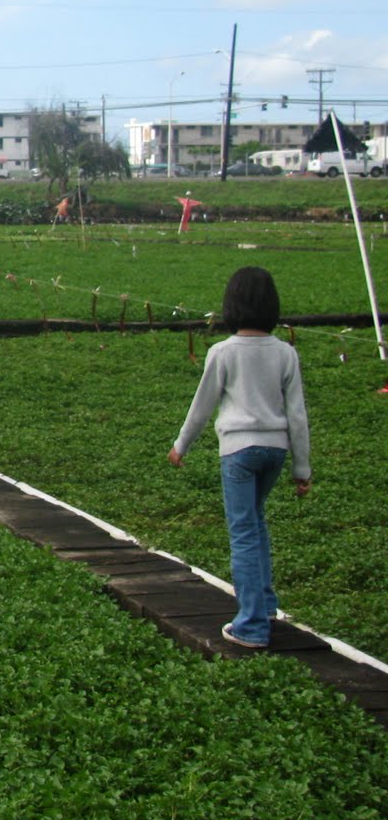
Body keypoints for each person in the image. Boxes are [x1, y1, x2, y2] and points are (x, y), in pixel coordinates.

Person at [169, 266, 311, 650]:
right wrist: (303, 468)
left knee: (243, 532)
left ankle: (251, 625)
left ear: (230, 305)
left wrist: (182, 445)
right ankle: (264, 606)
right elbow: (297, 415)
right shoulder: (286, 353)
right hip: (275, 451)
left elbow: (203, 406)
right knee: (257, 524)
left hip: (238, 452)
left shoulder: (223, 352)